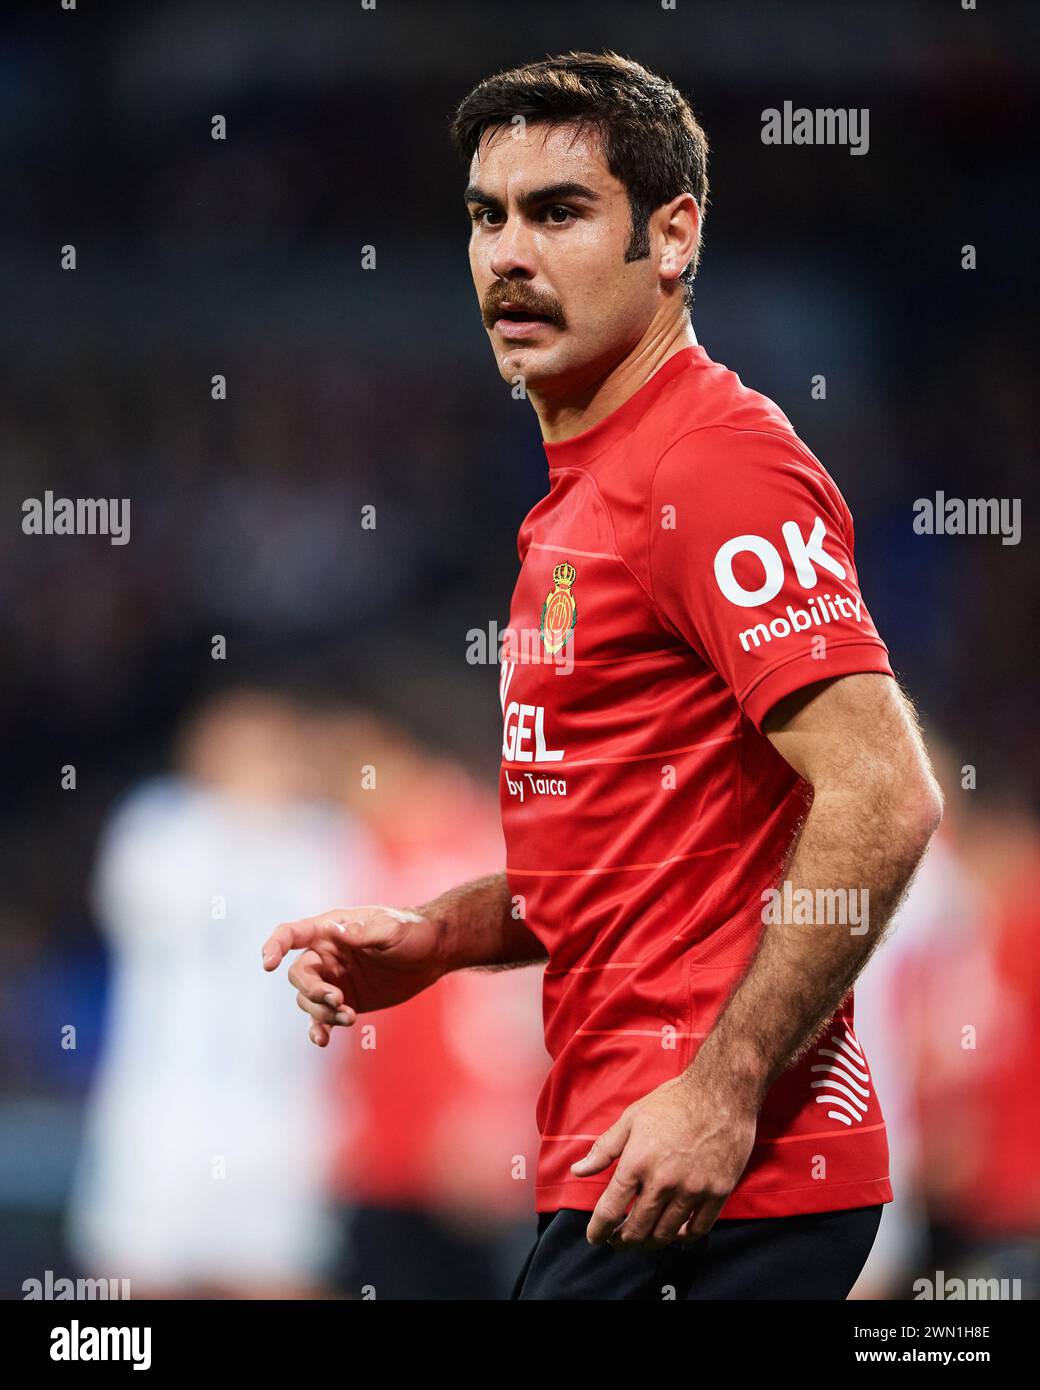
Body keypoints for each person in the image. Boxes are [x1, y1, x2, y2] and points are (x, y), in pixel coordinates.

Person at [263, 52, 943, 1300]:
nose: (506, 254)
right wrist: (437, 937)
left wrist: (723, 1090)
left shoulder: (710, 466)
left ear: (671, 235)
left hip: (709, 1176)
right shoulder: (580, 500)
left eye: (558, 212)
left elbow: (883, 793)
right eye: (486, 216)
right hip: (628, 1167)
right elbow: (625, 857)